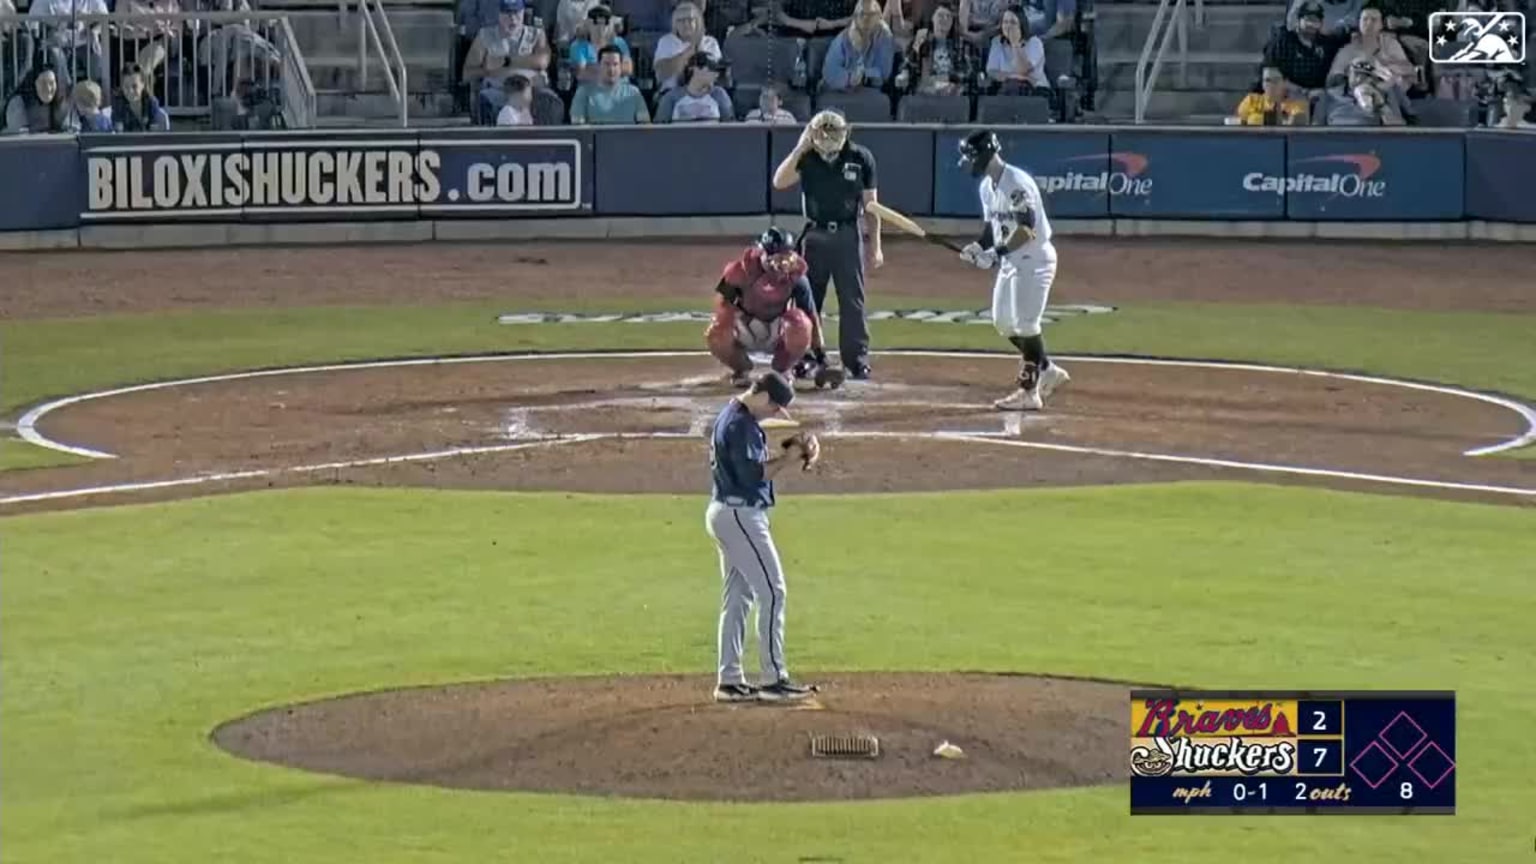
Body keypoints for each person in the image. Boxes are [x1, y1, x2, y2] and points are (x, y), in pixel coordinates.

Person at [706, 370, 822, 704]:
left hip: (727, 512)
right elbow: (755, 475)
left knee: (738, 598)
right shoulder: (738, 425)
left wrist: (789, 452)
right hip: (740, 515)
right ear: (762, 396)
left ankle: (729, 680)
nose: (775, 415)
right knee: (773, 591)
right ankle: (774, 679)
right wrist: (790, 458)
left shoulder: (736, 417)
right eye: (774, 408)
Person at [956, 129, 1070, 411]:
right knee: (1003, 323)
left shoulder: (1016, 183)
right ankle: (1048, 369)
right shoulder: (987, 187)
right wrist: (978, 246)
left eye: (970, 158)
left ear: (984, 155)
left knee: (1027, 324)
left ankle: (1029, 392)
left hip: (1034, 260)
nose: (968, 164)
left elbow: (1027, 229)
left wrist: (995, 253)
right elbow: (992, 227)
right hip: (1011, 262)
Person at [770, 110, 883, 380]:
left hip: (847, 233)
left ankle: (856, 358)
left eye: (835, 132)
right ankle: (805, 356)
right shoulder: (807, 157)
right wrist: (800, 147)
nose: (830, 137)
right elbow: (779, 181)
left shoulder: (860, 157)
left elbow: (871, 206)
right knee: (809, 300)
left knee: (852, 300)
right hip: (814, 233)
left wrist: (875, 245)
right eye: (824, 132)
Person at [705, 227, 840, 387]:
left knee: (801, 322)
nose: (781, 263)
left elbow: (811, 315)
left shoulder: (796, 277)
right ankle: (741, 369)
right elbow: (722, 305)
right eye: (776, 257)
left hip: (778, 328)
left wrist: (821, 355)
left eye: (786, 256)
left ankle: (782, 369)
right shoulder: (740, 272)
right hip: (745, 325)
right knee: (716, 329)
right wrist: (727, 330)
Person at [2, 63, 75, 134]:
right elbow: (19, 140)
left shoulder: (63, 103)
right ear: (34, 85)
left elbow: (70, 131)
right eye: (43, 83)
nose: (48, 88)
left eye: (51, 83)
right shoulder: (19, 104)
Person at [1235, 65, 1309, 124]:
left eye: (1276, 80)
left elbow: (1298, 120)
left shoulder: (1297, 103)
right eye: (1267, 80)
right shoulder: (1251, 100)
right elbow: (1239, 123)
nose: (1270, 85)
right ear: (1262, 83)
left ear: (1285, 82)